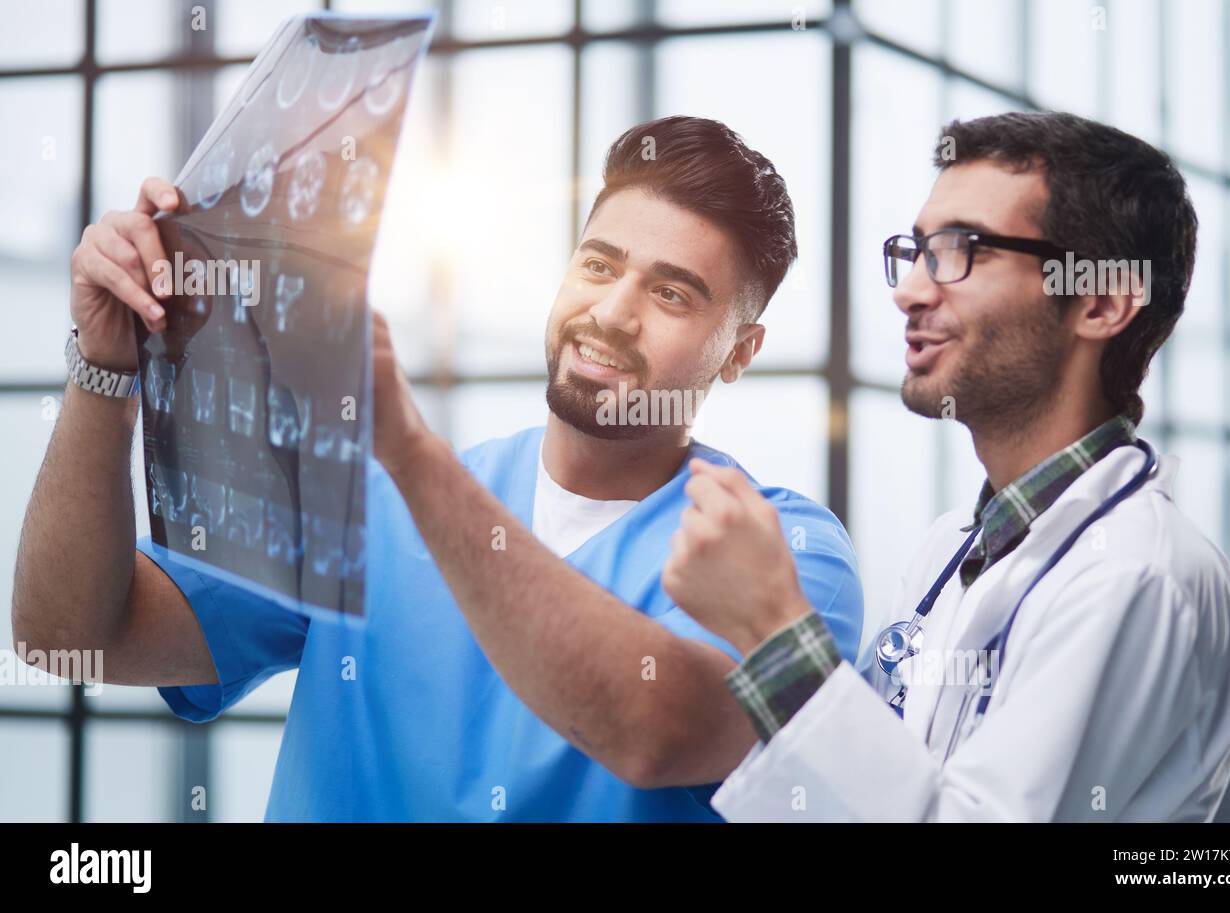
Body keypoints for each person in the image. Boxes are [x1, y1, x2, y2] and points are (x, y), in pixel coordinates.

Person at [12, 115, 863, 821]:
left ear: (741, 351)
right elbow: (68, 639)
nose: (611, 312)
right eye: (599, 264)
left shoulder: (780, 553)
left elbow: (659, 730)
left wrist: (405, 445)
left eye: (672, 293)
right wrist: (105, 368)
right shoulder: (364, 501)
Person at [661, 111, 1230, 822]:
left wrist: (774, 629)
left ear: (1101, 301)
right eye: (915, 251)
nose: (909, 290)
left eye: (961, 249)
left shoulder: (1137, 573)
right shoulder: (952, 549)